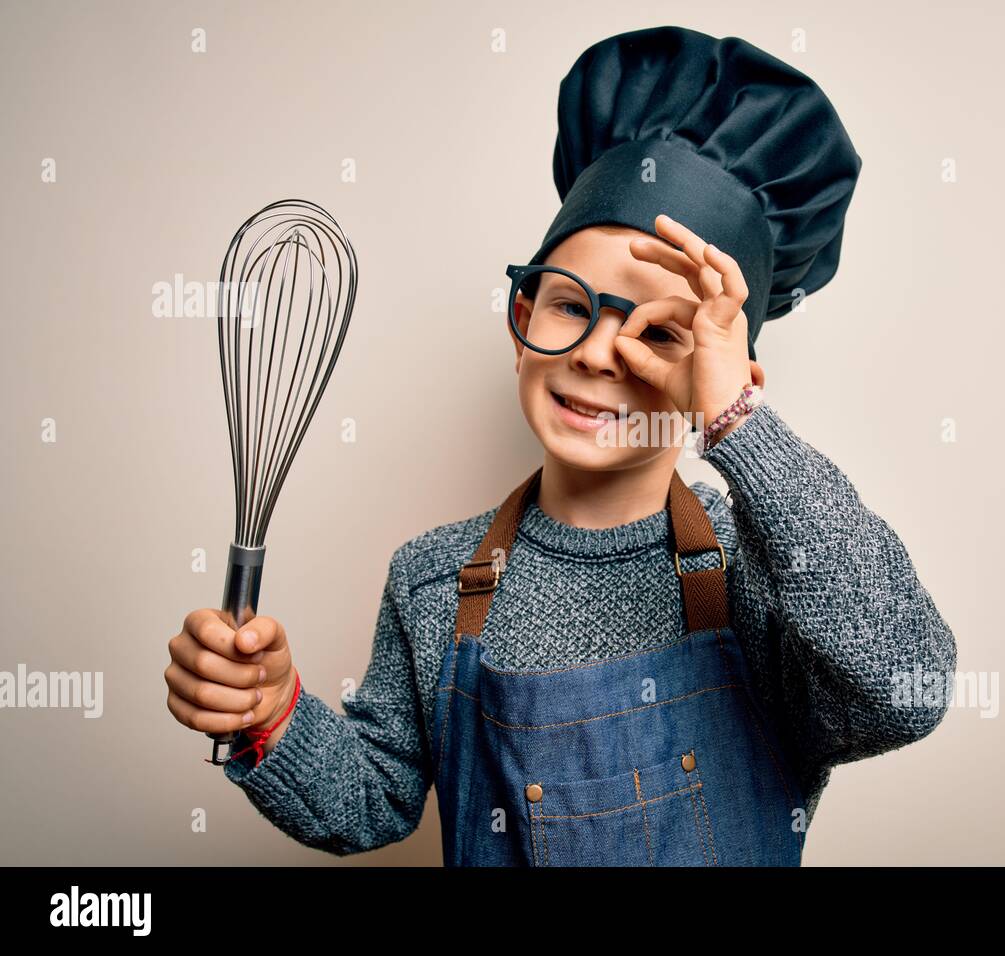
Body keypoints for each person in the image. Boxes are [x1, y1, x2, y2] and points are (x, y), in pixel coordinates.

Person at [164, 25, 957, 866]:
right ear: (520, 322)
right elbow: (372, 800)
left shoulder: (761, 574)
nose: (596, 351)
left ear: (723, 376)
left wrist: (737, 425)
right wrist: (269, 711)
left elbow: (904, 686)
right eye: (571, 304)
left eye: (660, 331)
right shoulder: (435, 582)